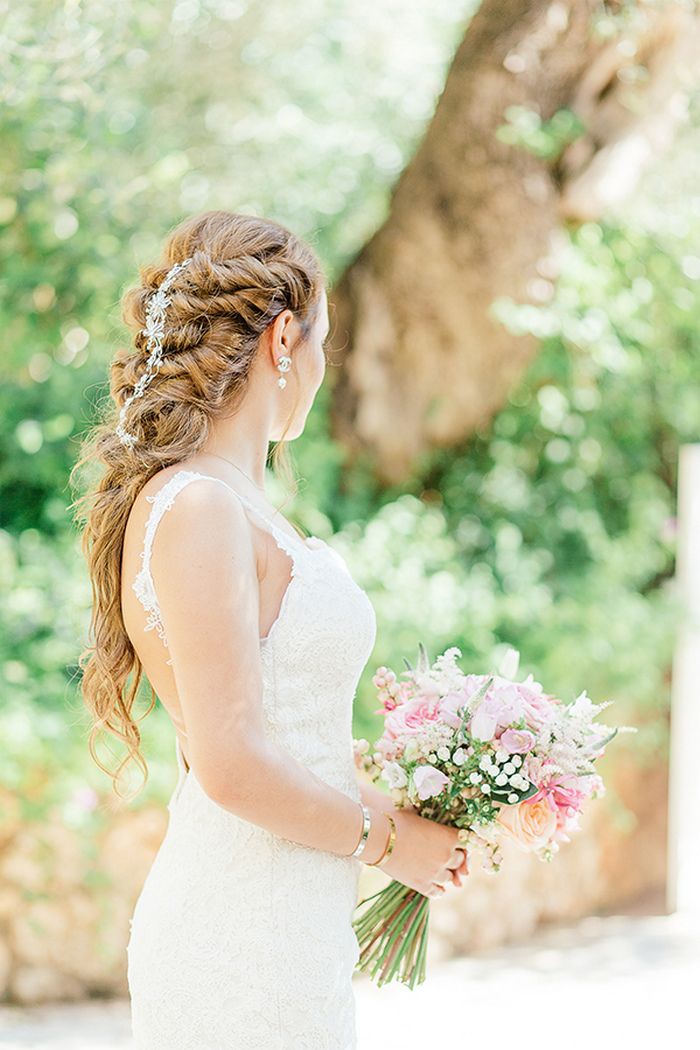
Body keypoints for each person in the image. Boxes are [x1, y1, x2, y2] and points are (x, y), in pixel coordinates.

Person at [79, 210, 468, 1050]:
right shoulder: (201, 506)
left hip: (290, 926)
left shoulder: (232, 503)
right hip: (242, 938)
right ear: (283, 337)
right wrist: (392, 842)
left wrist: (414, 809)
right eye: (324, 340)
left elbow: (276, 743)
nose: (324, 367)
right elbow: (229, 765)